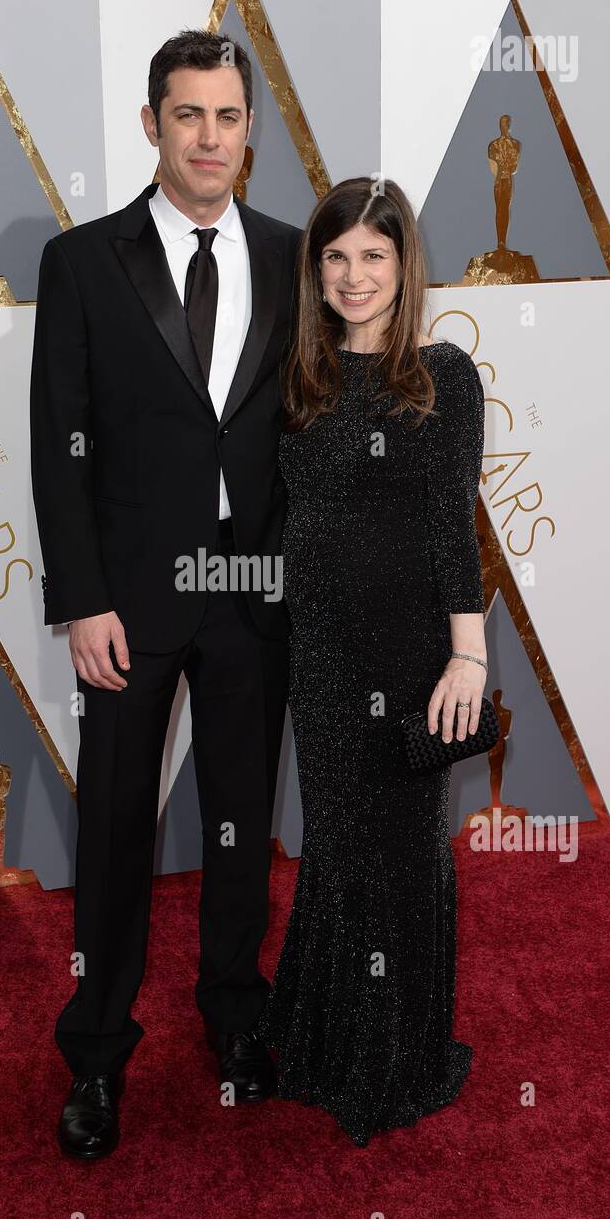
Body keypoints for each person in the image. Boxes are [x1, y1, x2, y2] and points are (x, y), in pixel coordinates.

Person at [29, 29, 302, 1159]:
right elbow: (59, 441)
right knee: (113, 840)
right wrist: (83, 599)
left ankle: (236, 1019)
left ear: (249, 129)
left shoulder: (296, 255)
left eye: (228, 117)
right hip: (131, 603)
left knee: (241, 826)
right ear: (152, 125)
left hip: (252, 590)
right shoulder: (83, 260)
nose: (209, 137)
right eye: (187, 115)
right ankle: (96, 1053)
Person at [256, 176, 487, 1146]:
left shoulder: (439, 374)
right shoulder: (295, 378)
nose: (353, 275)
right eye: (337, 256)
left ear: (403, 268)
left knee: (398, 851)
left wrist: (466, 655)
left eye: (374, 257)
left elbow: (450, 524)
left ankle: (392, 1055)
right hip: (318, 649)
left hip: (408, 647)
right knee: (337, 840)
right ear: (318, 268)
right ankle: (319, 1040)